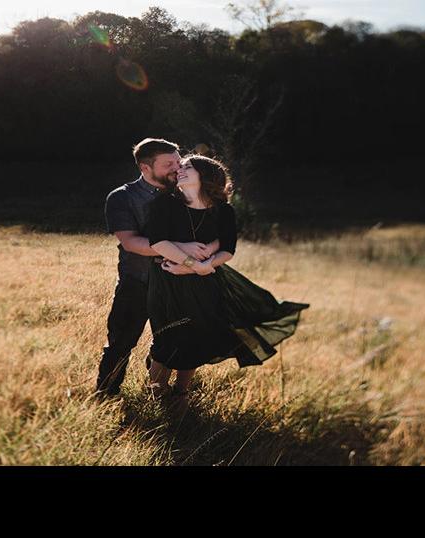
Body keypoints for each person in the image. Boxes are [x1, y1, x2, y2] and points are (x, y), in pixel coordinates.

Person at [145, 154, 309, 400]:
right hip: (168, 281)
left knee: (196, 337)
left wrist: (202, 266)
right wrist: (191, 263)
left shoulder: (223, 211)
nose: (180, 169)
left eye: (187, 167)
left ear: (205, 176)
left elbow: (228, 250)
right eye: (181, 166)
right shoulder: (164, 203)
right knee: (167, 339)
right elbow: (158, 242)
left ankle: (181, 393)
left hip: (206, 282)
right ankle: (155, 395)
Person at [96, 138, 221, 397]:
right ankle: (106, 395)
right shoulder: (122, 198)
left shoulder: (186, 191)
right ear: (145, 167)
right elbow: (131, 242)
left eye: (178, 161)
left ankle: (158, 392)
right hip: (137, 282)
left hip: (178, 283)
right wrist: (179, 246)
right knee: (120, 342)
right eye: (168, 164)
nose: (177, 168)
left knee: (173, 342)